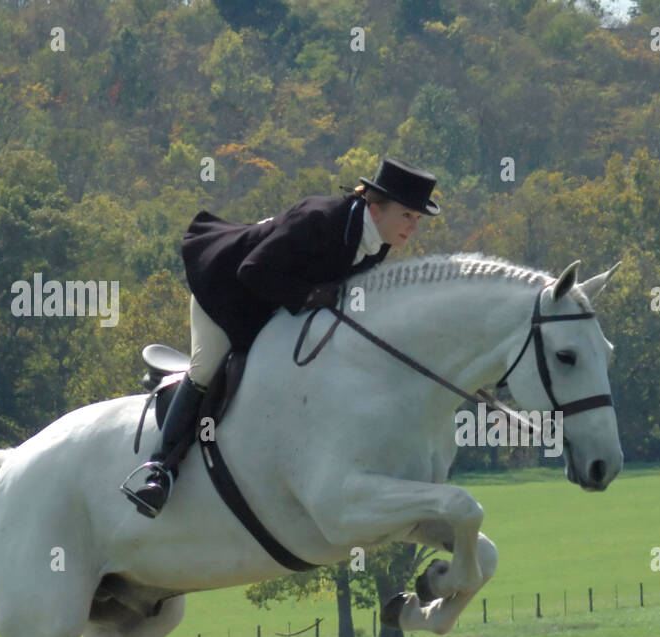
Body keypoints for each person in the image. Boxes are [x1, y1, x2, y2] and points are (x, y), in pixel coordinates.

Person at [122, 157, 441, 518]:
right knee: (207, 366)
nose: (413, 227)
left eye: (417, 219)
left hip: (273, 302)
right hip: (226, 289)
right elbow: (253, 270)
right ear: (375, 207)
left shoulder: (376, 241)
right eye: (407, 216)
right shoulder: (319, 219)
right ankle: (159, 470)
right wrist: (310, 296)